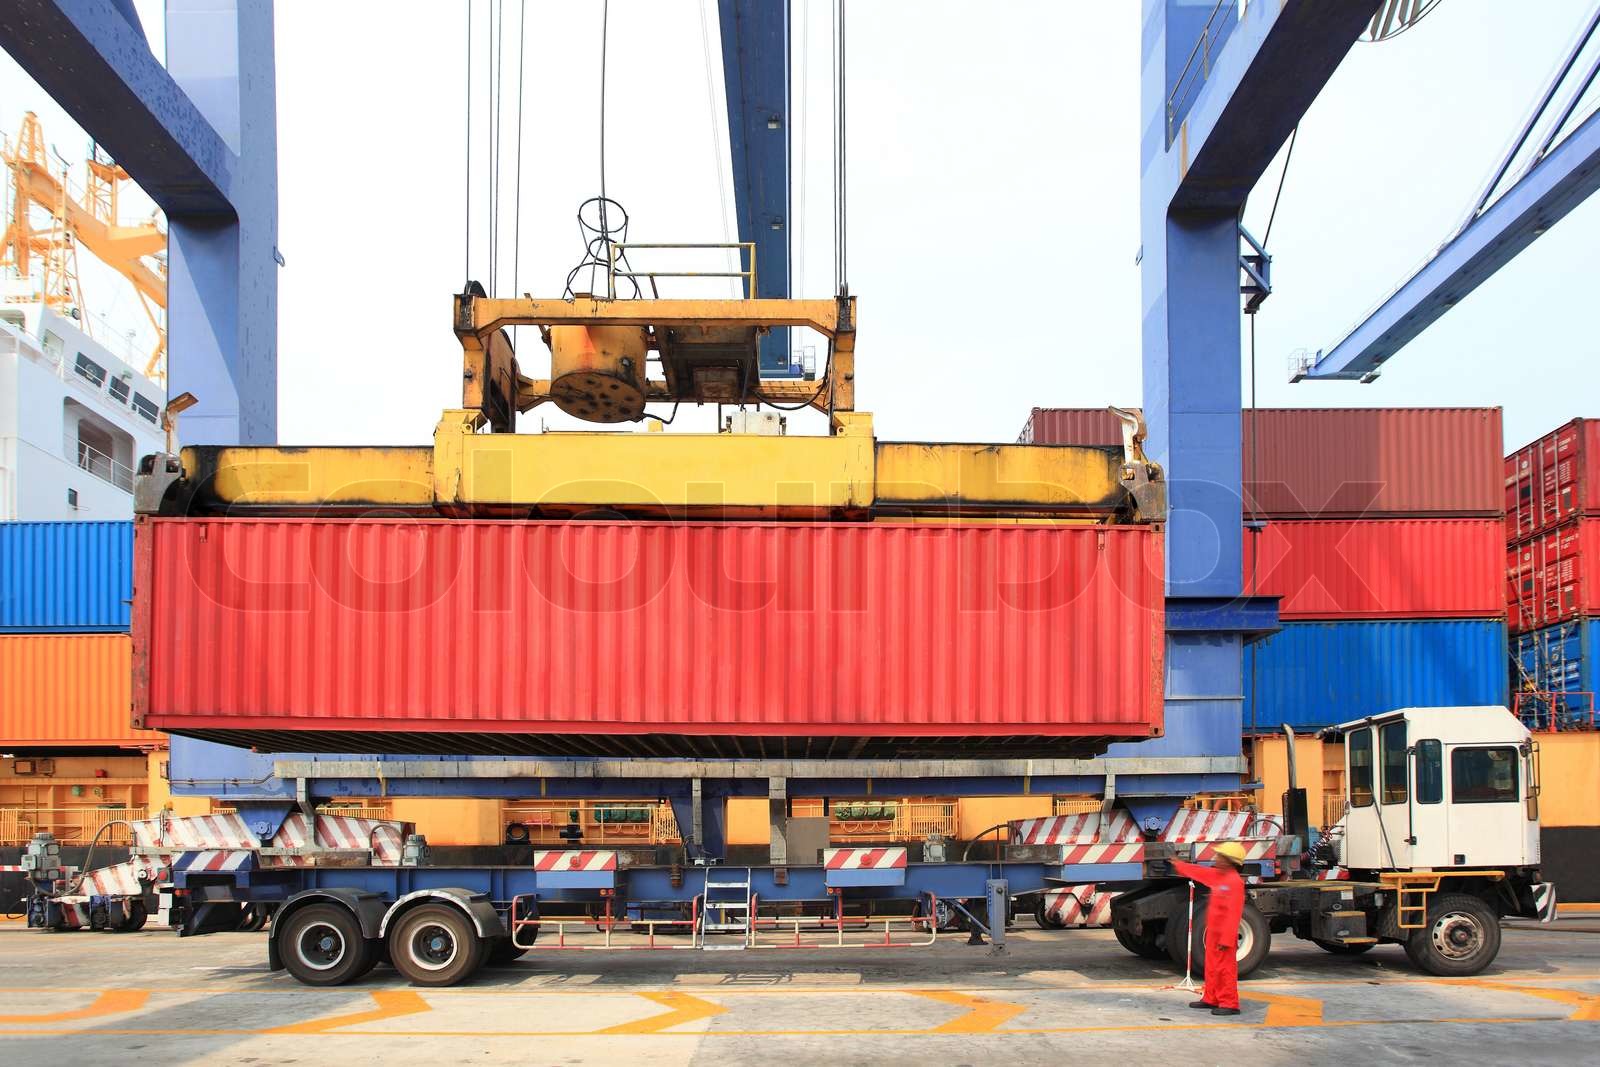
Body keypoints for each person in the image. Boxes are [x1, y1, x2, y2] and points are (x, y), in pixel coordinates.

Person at [1170, 840, 1248, 1016]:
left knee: (1225, 970)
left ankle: (1229, 1003)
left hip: (1224, 936)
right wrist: (1179, 865)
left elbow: (1234, 913)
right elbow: (1199, 872)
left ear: (1230, 861)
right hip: (1213, 932)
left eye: (1220, 856)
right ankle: (1211, 998)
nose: (1216, 858)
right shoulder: (1219, 876)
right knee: (1212, 967)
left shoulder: (1234, 882)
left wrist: (1227, 939)